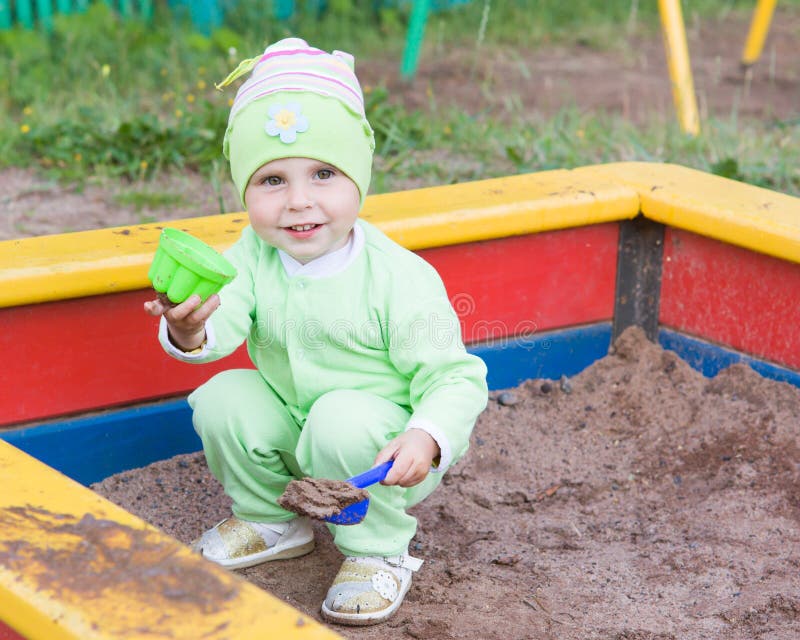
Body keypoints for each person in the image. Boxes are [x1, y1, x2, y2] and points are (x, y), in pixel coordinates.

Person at [144, 37, 488, 626]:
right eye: (272, 181)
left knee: (339, 418)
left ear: (361, 178)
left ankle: (378, 551)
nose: (299, 202)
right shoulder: (253, 253)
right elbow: (224, 320)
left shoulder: (398, 276)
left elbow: (455, 376)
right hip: (294, 425)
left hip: (378, 450)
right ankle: (271, 520)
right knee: (223, 398)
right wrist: (192, 326)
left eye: (324, 173)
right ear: (243, 190)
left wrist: (426, 437)